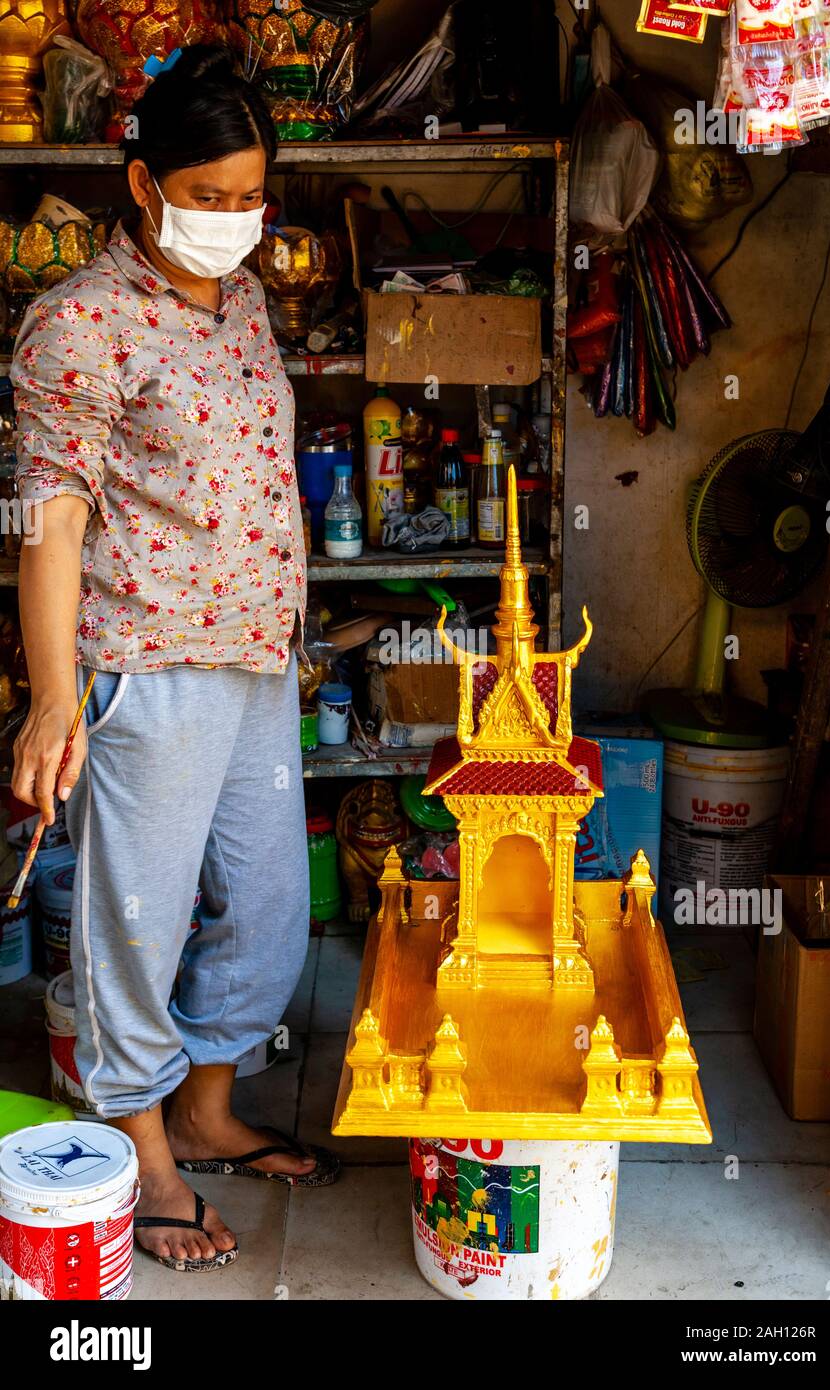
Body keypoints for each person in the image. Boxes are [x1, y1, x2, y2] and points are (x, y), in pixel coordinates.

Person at [11, 44, 338, 1275]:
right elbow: (51, 523)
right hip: (144, 662)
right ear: (140, 185)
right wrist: (53, 699)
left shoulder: (242, 295)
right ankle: (141, 1141)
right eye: (207, 199)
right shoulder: (74, 326)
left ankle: (207, 1107)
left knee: (267, 909)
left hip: (257, 654)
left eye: (250, 196)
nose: (234, 222)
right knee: (133, 923)